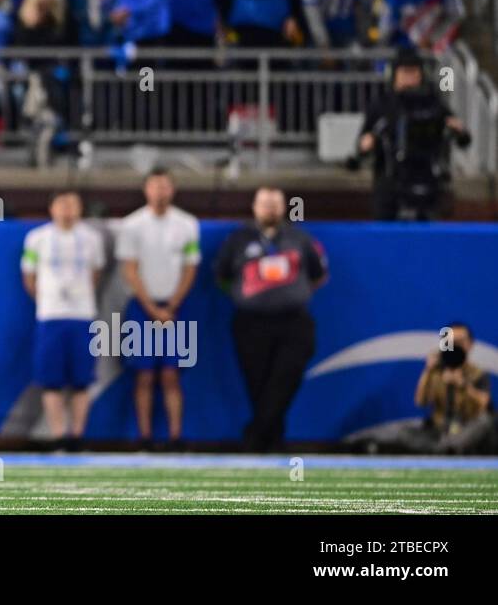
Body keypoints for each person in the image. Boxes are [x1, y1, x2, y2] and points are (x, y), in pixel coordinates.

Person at [213, 186, 329, 452]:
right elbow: (222, 276)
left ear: (285, 207)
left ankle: (256, 434)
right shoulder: (239, 239)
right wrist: (243, 295)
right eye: (265, 204)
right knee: (257, 380)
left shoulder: (299, 238)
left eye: (275, 204)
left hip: (293, 321)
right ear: (254, 207)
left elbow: (318, 275)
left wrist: (291, 294)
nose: (270, 209)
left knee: (285, 378)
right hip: (251, 321)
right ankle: (270, 439)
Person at [115, 168, 200, 448]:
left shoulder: (187, 224)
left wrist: (172, 304)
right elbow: (131, 271)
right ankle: (145, 436)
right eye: (155, 186)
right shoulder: (132, 225)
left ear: (172, 190)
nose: (160, 192)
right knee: (145, 374)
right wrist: (152, 308)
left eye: (165, 186)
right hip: (143, 307)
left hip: (176, 306)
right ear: (146, 190)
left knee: (171, 374)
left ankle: (176, 436)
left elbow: (190, 268)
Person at [21, 192, 106, 448]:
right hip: (50, 315)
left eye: (73, 205)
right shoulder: (37, 238)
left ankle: (77, 435)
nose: (67, 210)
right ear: (52, 208)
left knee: (82, 379)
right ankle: (59, 435)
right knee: (51, 380)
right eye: (62, 204)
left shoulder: (92, 238)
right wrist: (46, 300)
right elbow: (29, 277)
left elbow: (95, 274)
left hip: (82, 315)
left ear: (81, 209)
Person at [353, 49, 471, 220]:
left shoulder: (433, 103)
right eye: (405, 72)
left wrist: (459, 130)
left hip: (427, 181)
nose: (410, 77)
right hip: (390, 184)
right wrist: (365, 144)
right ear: (395, 74)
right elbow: (361, 147)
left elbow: (463, 139)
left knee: (427, 236)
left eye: (414, 72)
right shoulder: (382, 105)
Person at [347, 323, 494, 455]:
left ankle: (446, 448)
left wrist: (462, 385)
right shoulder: (437, 370)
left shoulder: (477, 373)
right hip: (438, 430)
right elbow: (420, 401)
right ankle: (444, 448)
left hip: (466, 429)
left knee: (485, 421)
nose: (455, 345)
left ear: (470, 344)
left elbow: (485, 405)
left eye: (460, 342)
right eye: (451, 342)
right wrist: (428, 371)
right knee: (405, 431)